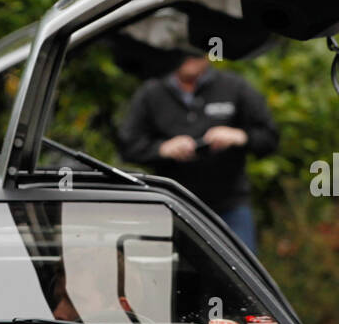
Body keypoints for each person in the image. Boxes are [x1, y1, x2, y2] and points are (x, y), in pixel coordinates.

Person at [117, 51, 278, 252]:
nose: (191, 56)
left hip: (230, 207)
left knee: (238, 275)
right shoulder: (152, 92)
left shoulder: (234, 86)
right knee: (172, 275)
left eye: (197, 50)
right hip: (172, 206)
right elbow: (127, 146)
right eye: (184, 50)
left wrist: (239, 136)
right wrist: (162, 149)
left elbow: (270, 138)